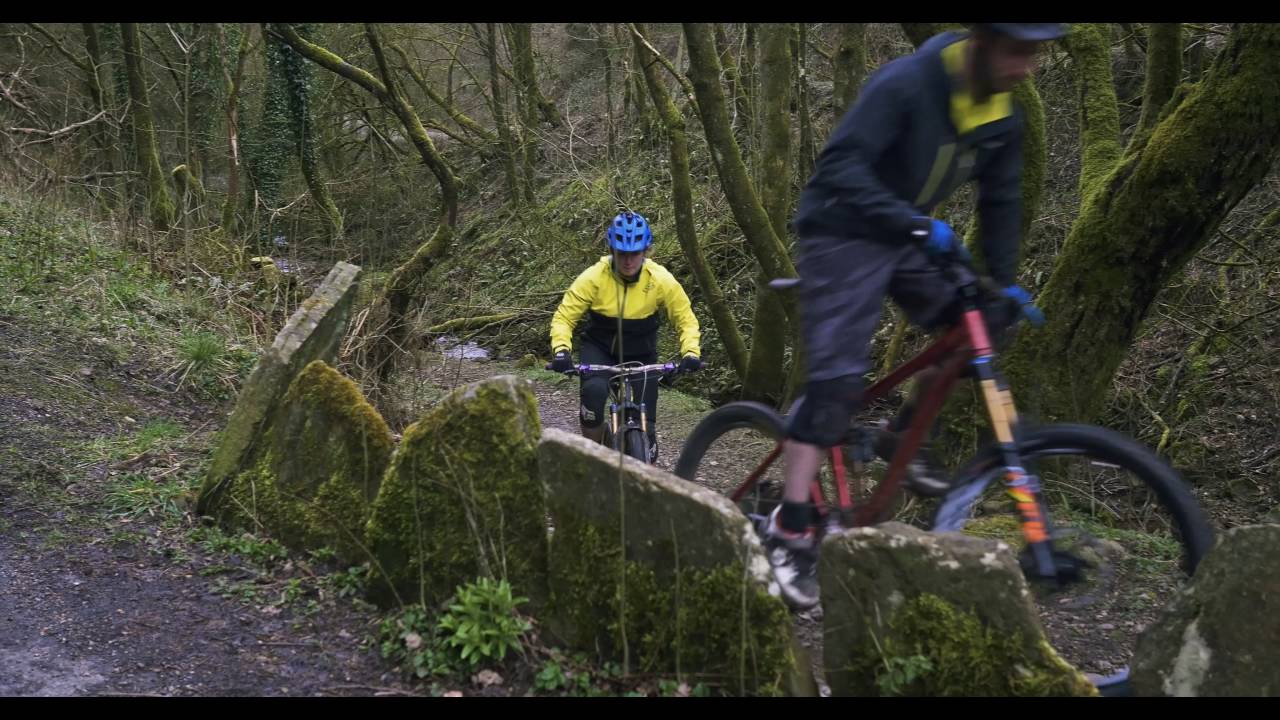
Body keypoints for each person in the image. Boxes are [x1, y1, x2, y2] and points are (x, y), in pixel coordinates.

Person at [768, 23, 1067, 609]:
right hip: (839, 228)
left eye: (1036, 54)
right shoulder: (907, 83)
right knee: (836, 383)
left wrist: (1001, 287)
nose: (1026, 67)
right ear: (983, 42)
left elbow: (1001, 202)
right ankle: (790, 521)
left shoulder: (1004, 114)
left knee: (978, 326)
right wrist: (916, 224)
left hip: (903, 232)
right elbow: (839, 170)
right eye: (1018, 52)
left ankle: (902, 434)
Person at [549, 211, 702, 459]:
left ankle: (644, 456)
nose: (628, 261)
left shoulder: (661, 280)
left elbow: (685, 318)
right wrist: (561, 351)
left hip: (642, 353)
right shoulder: (593, 278)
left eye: (635, 254)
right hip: (600, 350)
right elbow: (564, 317)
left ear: (646, 251)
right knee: (595, 395)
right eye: (622, 254)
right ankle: (593, 455)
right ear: (613, 251)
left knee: (648, 431)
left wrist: (691, 352)